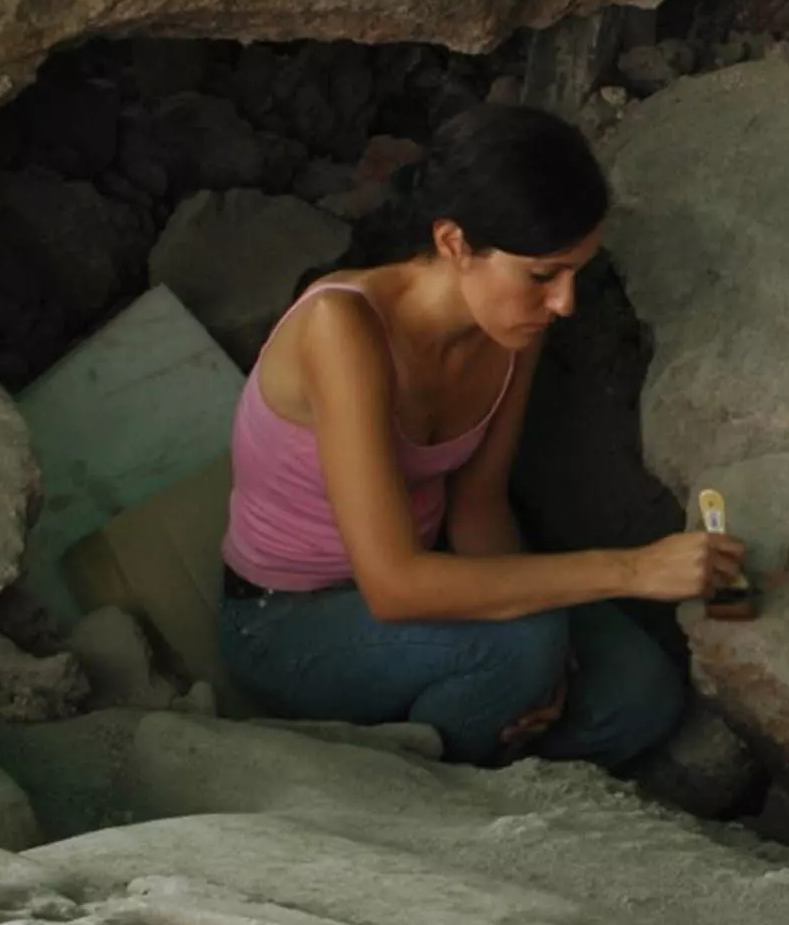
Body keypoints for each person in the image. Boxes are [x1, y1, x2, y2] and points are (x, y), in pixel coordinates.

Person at [215, 102, 743, 770]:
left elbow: (479, 503)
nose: (564, 303)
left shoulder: (509, 330)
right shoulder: (343, 330)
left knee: (640, 692)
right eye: (542, 275)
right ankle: (431, 794)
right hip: (286, 620)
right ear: (455, 243)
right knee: (522, 645)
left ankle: (478, 734)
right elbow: (395, 587)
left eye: (576, 272)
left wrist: (545, 654)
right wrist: (631, 572)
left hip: (432, 583)